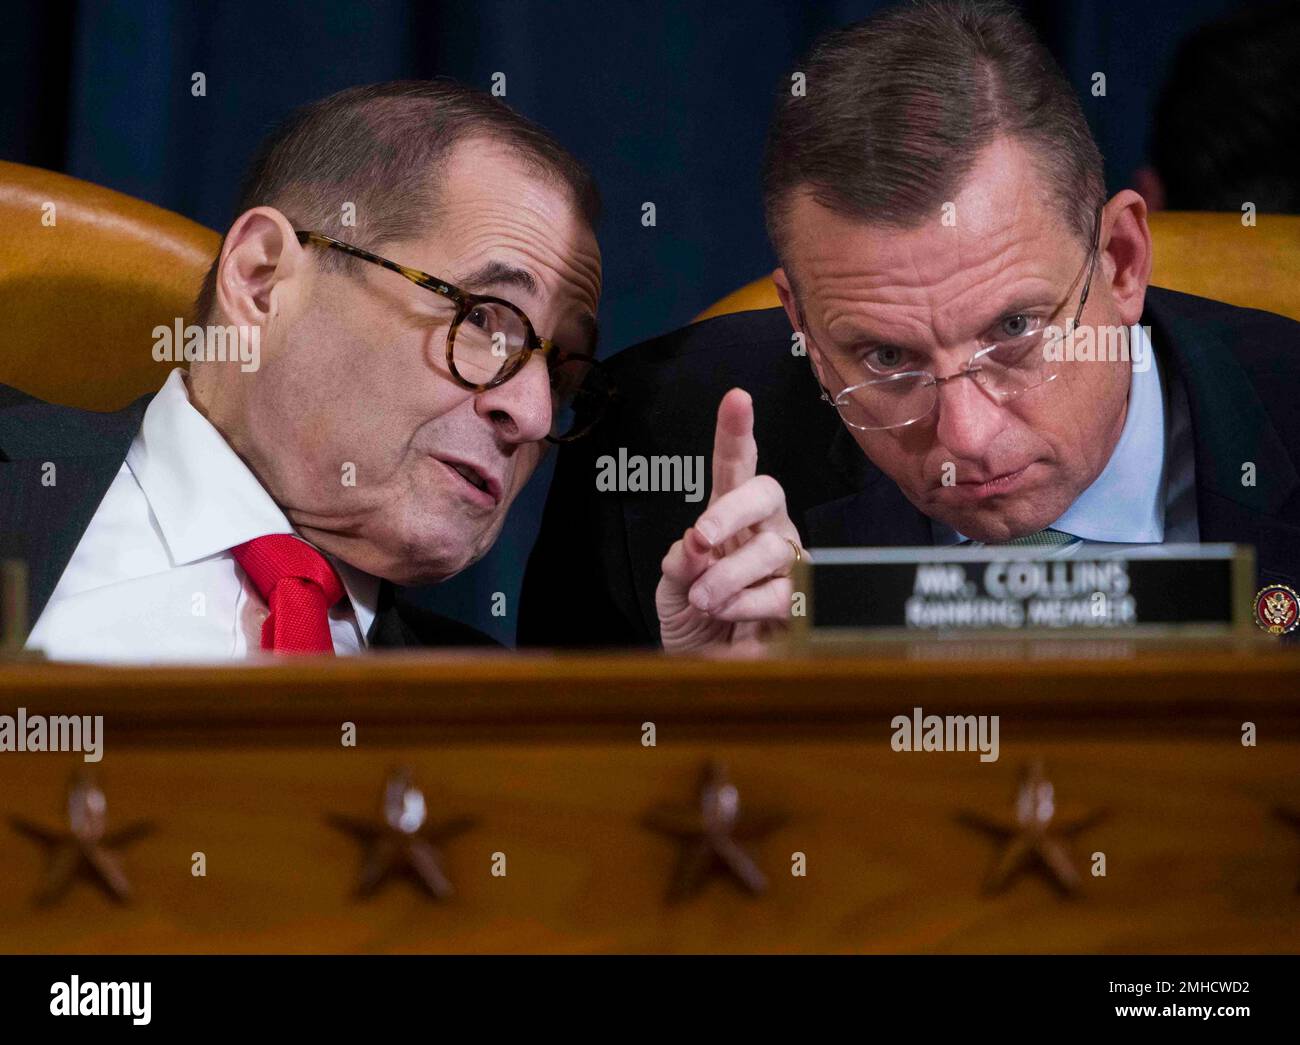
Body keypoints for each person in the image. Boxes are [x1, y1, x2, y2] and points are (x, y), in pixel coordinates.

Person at [519, 1, 1300, 652]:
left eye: (1016, 328)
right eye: (887, 356)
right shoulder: (655, 461)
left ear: (1123, 262)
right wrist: (744, 717)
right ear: (804, 329)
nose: (965, 438)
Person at [2, 80, 607, 660]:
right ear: (262, 280)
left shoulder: (502, 717)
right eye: (482, 320)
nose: (532, 414)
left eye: (560, 378)